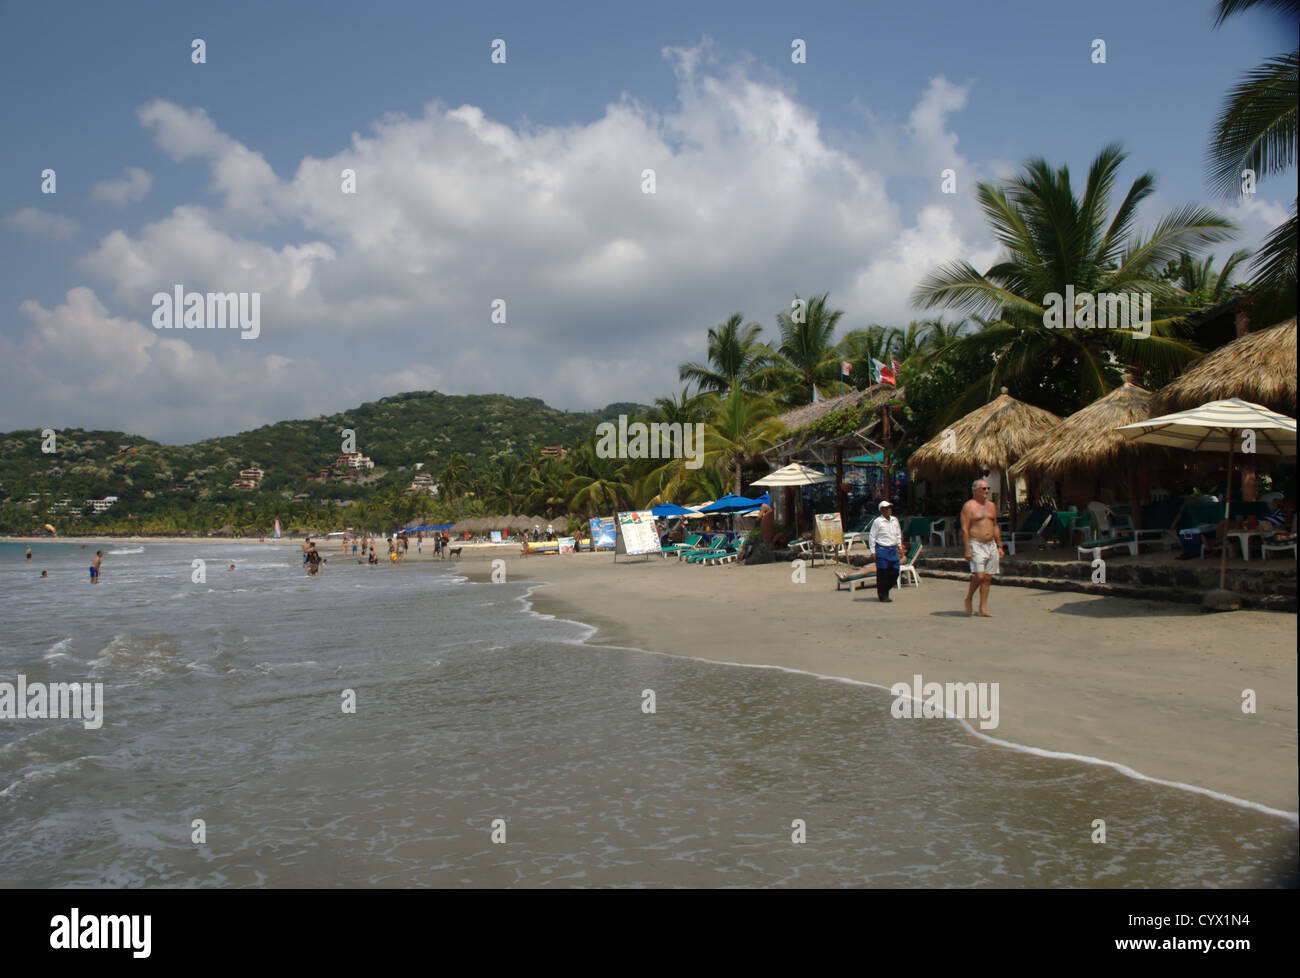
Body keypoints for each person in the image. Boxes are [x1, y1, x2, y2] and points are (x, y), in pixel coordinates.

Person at [961, 479, 1005, 617]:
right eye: (983, 488)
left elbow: (995, 526)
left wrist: (999, 545)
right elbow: (964, 528)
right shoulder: (969, 506)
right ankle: (968, 598)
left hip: (990, 543)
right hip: (976, 543)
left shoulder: (991, 506)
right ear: (975, 490)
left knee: (987, 578)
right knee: (979, 576)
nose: (987, 491)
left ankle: (983, 608)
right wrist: (967, 549)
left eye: (988, 488)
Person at [867, 500, 903, 602]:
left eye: (890, 508)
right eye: (887, 508)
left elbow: (898, 534)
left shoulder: (895, 520)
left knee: (895, 572)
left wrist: (900, 547)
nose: (889, 510)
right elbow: (872, 536)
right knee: (883, 573)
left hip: (892, 549)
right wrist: (873, 551)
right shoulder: (877, 521)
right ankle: (883, 594)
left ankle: (883, 589)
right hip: (882, 549)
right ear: (881, 510)